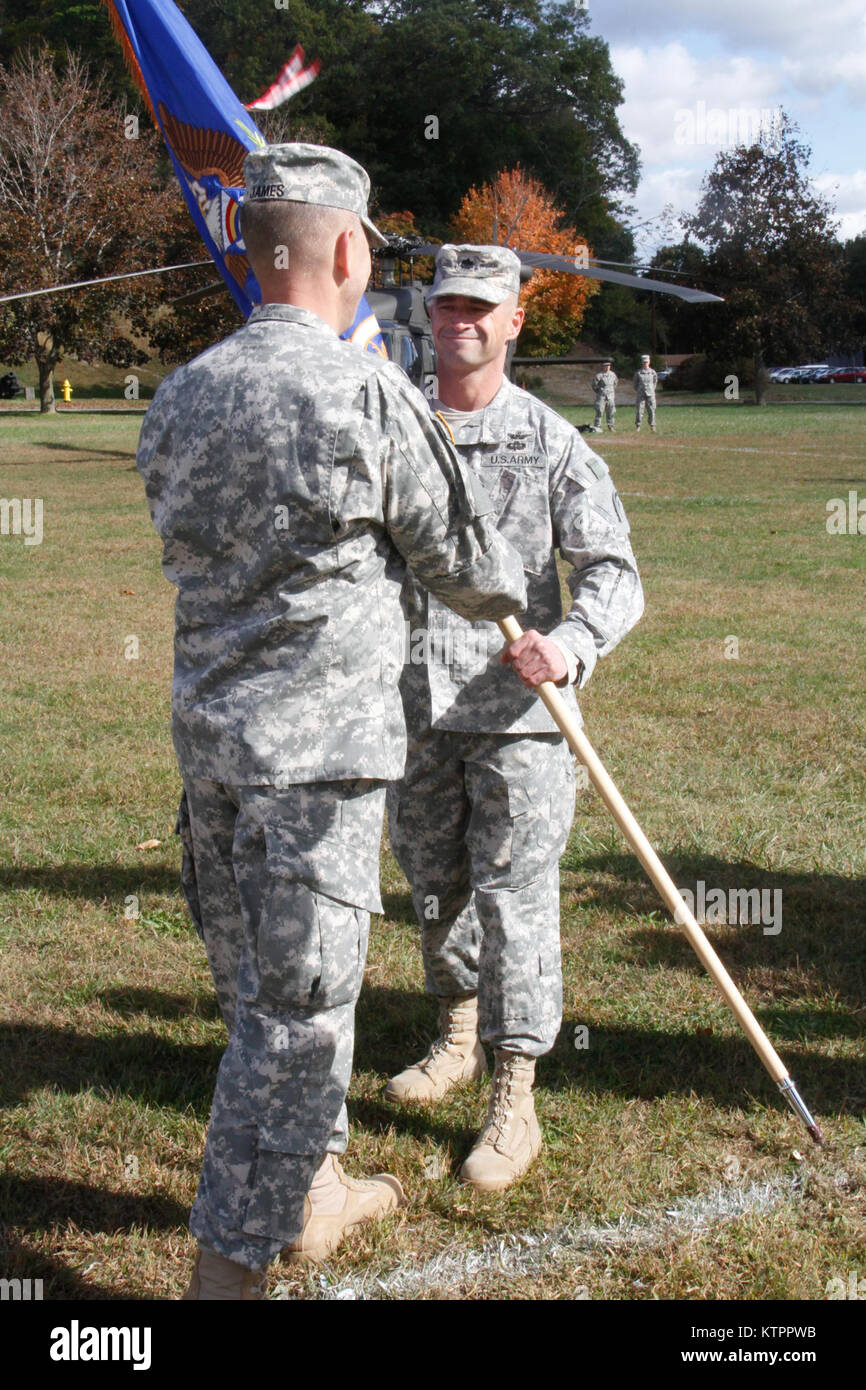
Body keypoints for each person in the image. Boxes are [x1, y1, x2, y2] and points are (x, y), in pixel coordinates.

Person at [136, 151, 527, 1299]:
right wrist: (510, 606)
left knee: (256, 995)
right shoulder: (365, 392)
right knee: (296, 1024)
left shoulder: (180, 392)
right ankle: (230, 1274)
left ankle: (312, 1190)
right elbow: (462, 557)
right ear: (349, 250)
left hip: (212, 752)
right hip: (317, 768)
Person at [385, 245, 644, 1192]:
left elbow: (613, 572)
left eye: (481, 306)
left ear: (514, 321)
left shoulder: (549, 439)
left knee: (515, 897)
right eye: (447, 301)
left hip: (520, 716)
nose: (461, 318)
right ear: (427, 310)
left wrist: (571, 643)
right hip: (410, 708)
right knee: (431, 884)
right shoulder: (394, 422)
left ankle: (515, 1092)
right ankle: (455, 1032)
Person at [634, 353, 658, 431]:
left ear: (649, 362)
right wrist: (639, 390)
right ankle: (638, 426)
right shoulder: (638, 373)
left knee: (651, 410)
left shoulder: (653, 372)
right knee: (639, 410)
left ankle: (652, 425)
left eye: (646, 362)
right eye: (644, 362)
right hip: (641, 394)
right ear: (642, 362)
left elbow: (655, 382)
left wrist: (652, 389)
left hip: (650, 393)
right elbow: (635, 384)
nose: (645, 364)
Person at [591, 360, 618, 432]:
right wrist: (600, 392)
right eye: (606, 366)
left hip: (610, 396)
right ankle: (597, 426)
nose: (607, 367)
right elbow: (594, 385)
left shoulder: (613, 375)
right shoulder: (599, 375)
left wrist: (610, 391)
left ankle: (611, 426)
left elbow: (615, 384)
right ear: (603, 367)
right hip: (601, 396)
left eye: (608, 366)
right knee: (599, 411)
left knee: (611, 411)